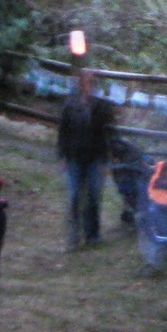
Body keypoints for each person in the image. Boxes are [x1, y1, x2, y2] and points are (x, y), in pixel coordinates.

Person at [57, 69, 115, 249]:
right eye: (84, 82)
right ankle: (74, 236)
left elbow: (108, 133)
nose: (87, 86)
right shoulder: (70, 105)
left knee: (93, 195)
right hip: (74, 155)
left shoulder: (102, 107)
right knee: (74, 195)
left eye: (91, 82)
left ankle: (93, 234)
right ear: (79, 84)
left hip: (96, 157)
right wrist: (62, 156)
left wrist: (106, 160)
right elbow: (63, 132)